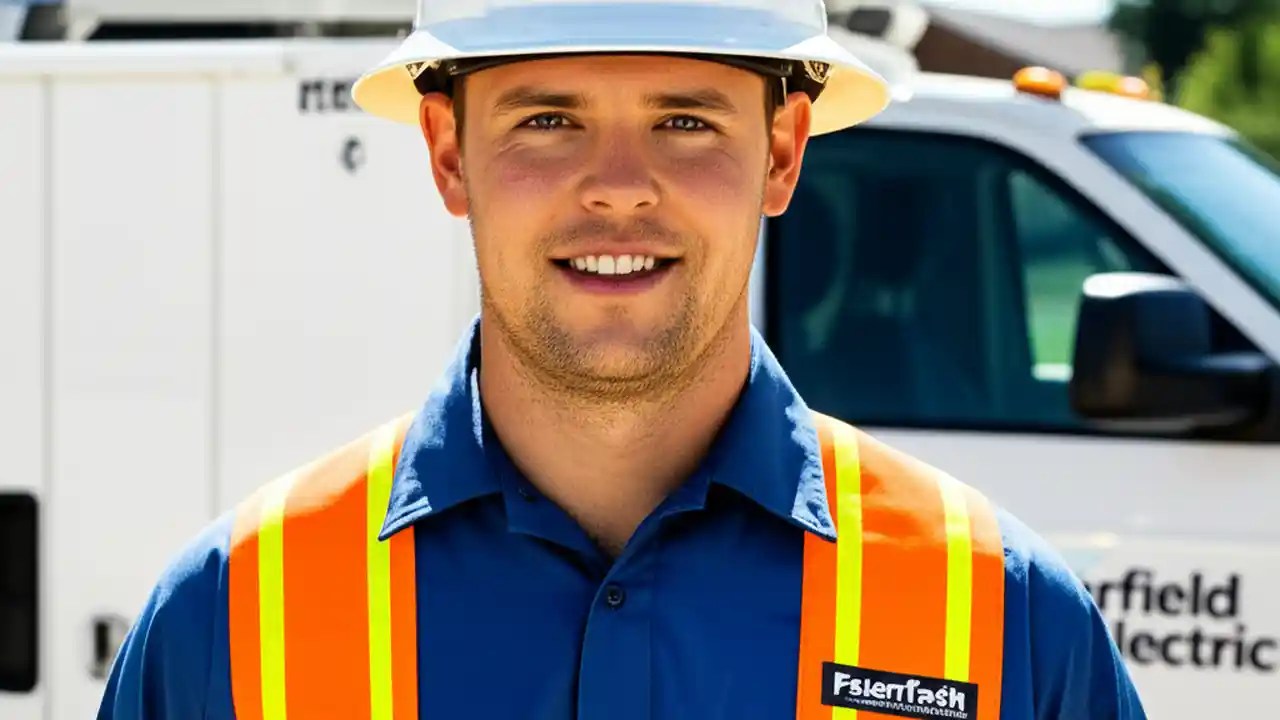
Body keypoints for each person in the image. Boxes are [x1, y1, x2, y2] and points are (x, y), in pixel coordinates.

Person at [98, 1, 1147, 718]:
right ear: (447, 151)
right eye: (547, 120)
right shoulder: (231, 623)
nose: (616, 186)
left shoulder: (1002, 622)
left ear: (781, 152)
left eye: (683, 120)